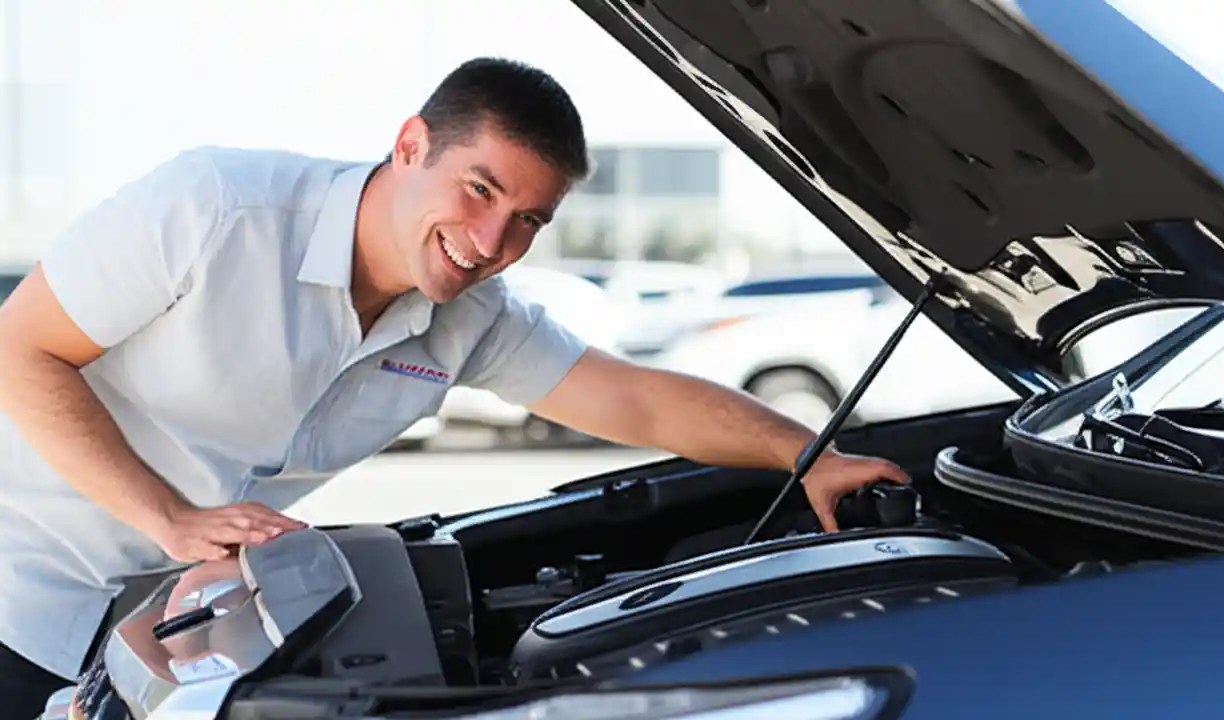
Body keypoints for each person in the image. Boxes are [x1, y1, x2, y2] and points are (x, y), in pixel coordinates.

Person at [0, 57, 909, 714]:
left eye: (527, 221)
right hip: (15, 590)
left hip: (154, 634)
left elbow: (632, 397)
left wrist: (809, 454)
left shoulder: (471, 319)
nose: (490, 242)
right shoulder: (215, 210)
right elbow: (18, 350)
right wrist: (169, 518)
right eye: (478, 189)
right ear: (409, 144)